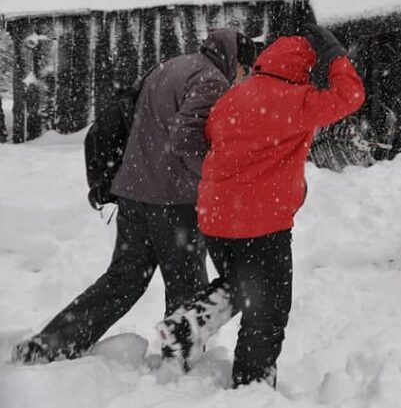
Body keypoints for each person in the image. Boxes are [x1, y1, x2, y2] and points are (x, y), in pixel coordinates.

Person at [11, 29, 256, 364]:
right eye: (246, 70)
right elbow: (186, 140)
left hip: (133, 191)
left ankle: (49, 344)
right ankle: (179, 361)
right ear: (236, 61)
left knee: (124, 280)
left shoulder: (171, 66)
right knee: (186, 285)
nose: (243, 78)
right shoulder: (211, 79)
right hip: (173, 200)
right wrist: (216, 176)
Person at [156, 25, 365, 388]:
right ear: (303, 68)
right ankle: (251, 386)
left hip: (216, 216)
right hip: (261, 223)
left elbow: (213, 135)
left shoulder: (233, 98)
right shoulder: (298, 100)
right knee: (268, 310)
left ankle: (187, 326)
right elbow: (351, 96)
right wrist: (336, 56)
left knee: (242, 286)